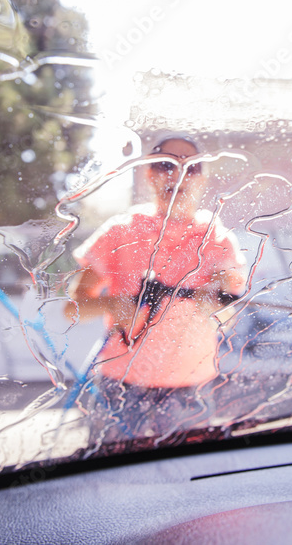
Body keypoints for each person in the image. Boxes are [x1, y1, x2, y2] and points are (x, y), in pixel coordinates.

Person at [67, 136, 247, 449]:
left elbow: (231, 315)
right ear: (148, 173)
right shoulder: (121, 230)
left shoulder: (216, 236)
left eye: (191, 168)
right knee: (108, 479)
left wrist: (214, 304)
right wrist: (115, 304)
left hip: (191, 387)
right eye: (165, 165)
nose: (176, 176)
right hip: (120, 385)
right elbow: (72, 308)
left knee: (186, 484)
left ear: (203, 178)